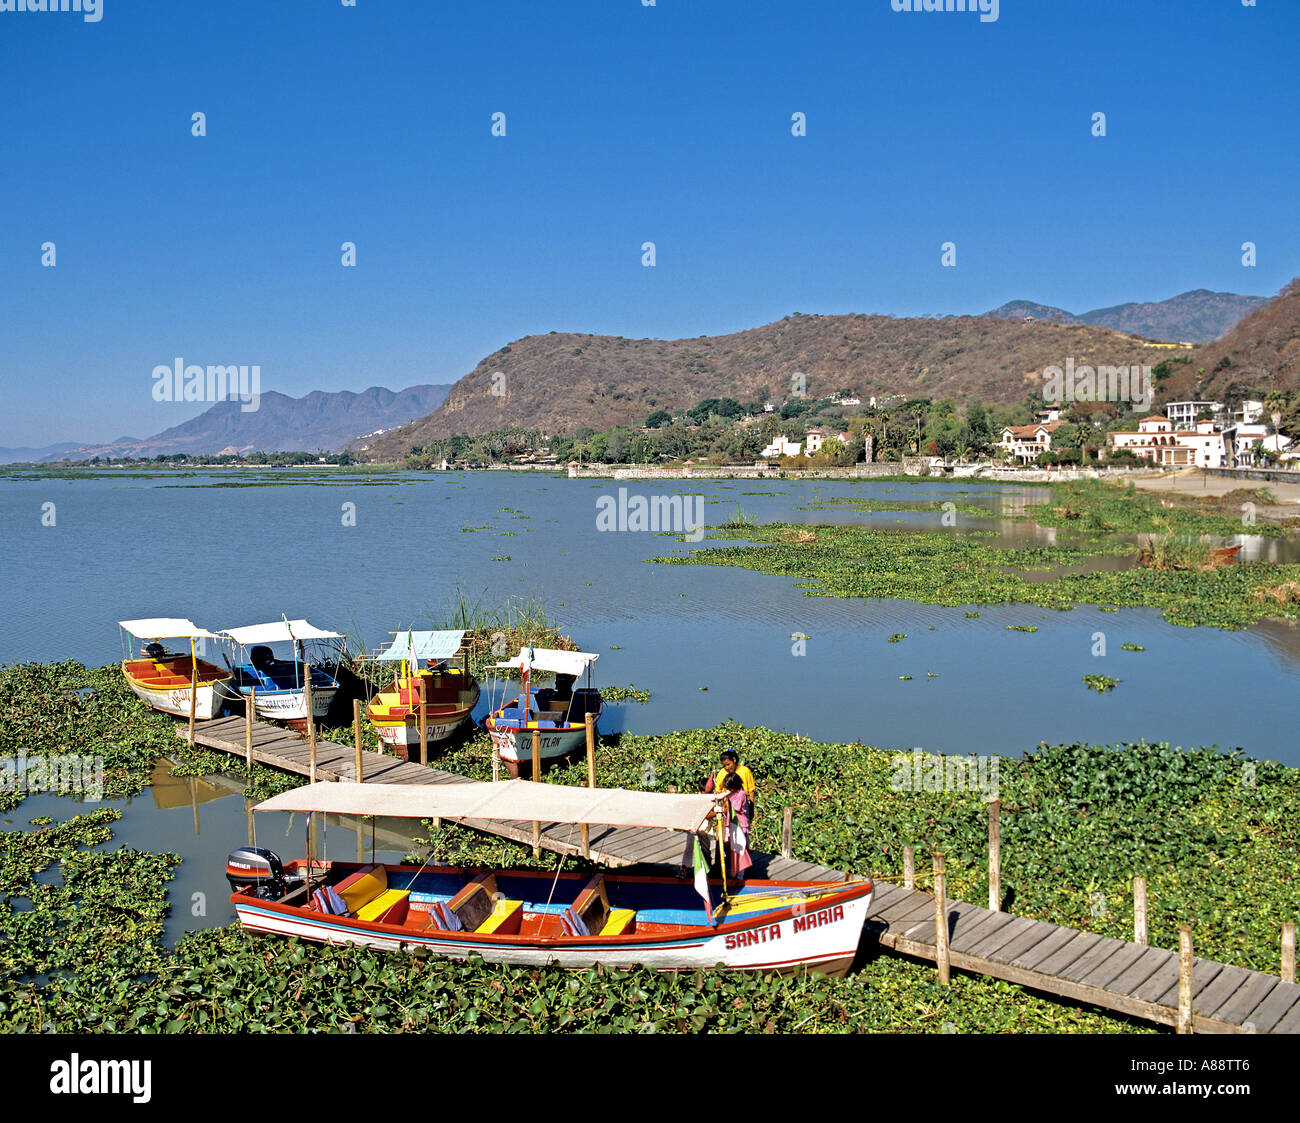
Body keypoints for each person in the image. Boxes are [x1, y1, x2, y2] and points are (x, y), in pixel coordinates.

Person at [703, 750, 756, 822]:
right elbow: (718, 791)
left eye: (728, 764)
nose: (727, 768)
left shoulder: (745, 771)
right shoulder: (722, 773)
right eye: (724, 766)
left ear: (734, 760)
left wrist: (751, 809)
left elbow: (751, 791)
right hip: (727, 804)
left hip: (743, 805)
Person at [722, 772, 753, 883]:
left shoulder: (740, 794)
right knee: (729, 846)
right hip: (730, 824)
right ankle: (733, 869)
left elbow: (735, 808)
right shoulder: (731, 793)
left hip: (739, 824)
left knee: (739, 848)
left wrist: (725, 802)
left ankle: (740, 873)